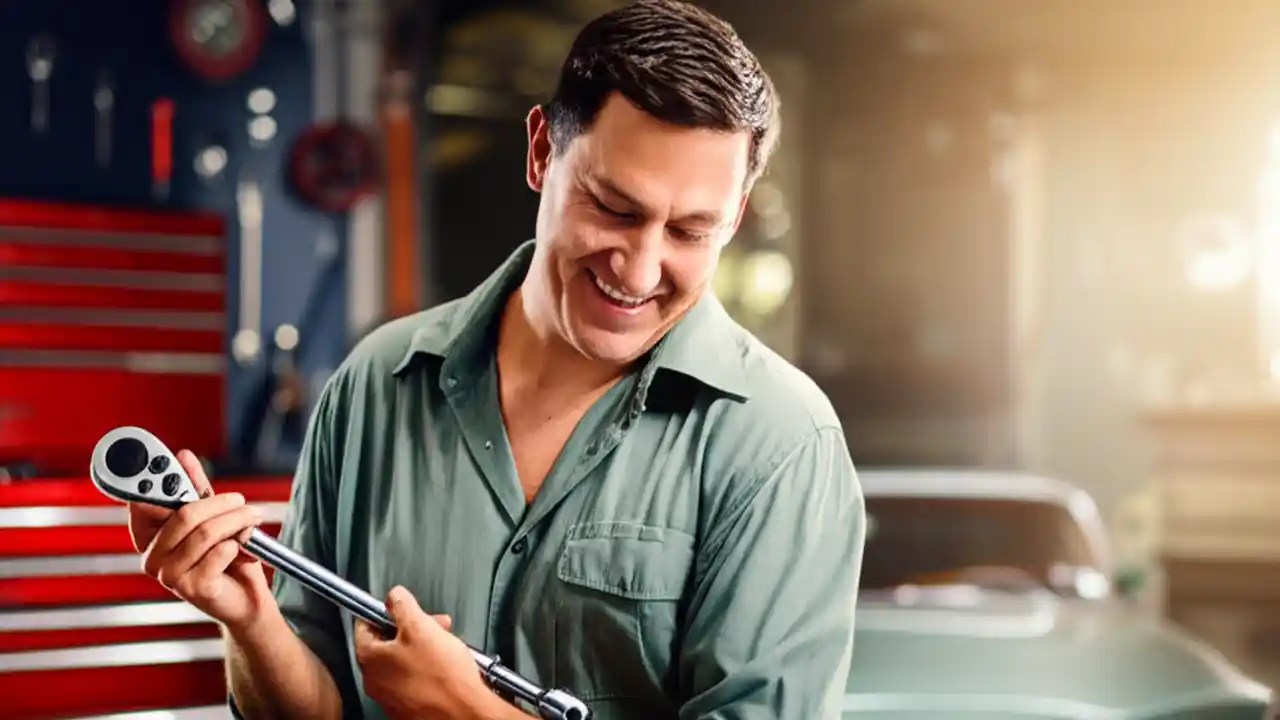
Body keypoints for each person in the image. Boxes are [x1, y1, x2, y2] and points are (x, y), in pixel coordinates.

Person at [126, 1, 866, 718]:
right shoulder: (374, 388)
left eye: (691, 231)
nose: (640, 270)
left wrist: (464, 709)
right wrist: (250, 619)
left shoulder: (780, 447)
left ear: (734, 216)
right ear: (542, 151)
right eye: (613, 207)